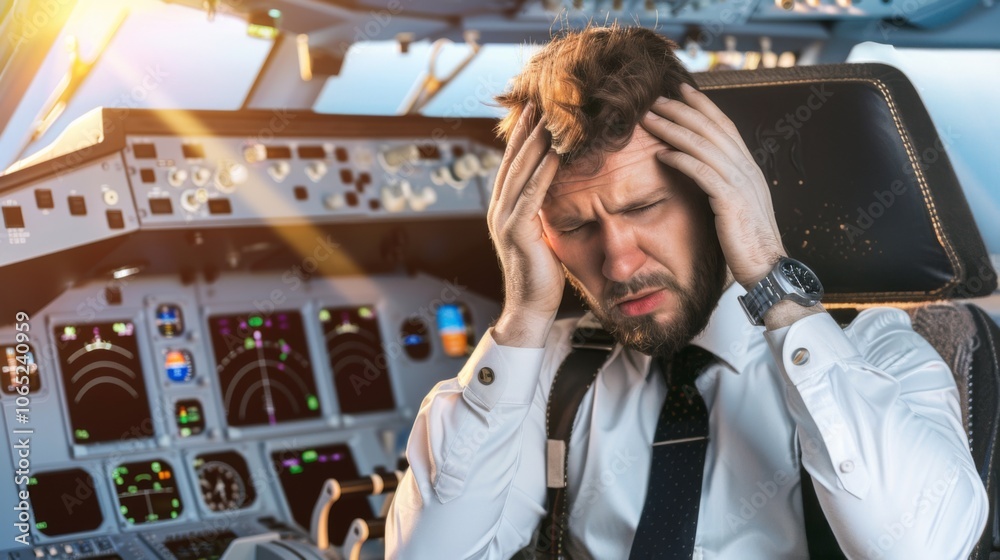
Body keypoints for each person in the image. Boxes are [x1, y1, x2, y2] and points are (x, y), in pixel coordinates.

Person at [385, 25, 988, 559]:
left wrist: (773, 281)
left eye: (644, 207)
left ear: (714, 194)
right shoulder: (544, 377)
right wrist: (521, 318)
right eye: (574, 226)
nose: (619, 262)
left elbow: (924, 545)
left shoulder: (872, 350)